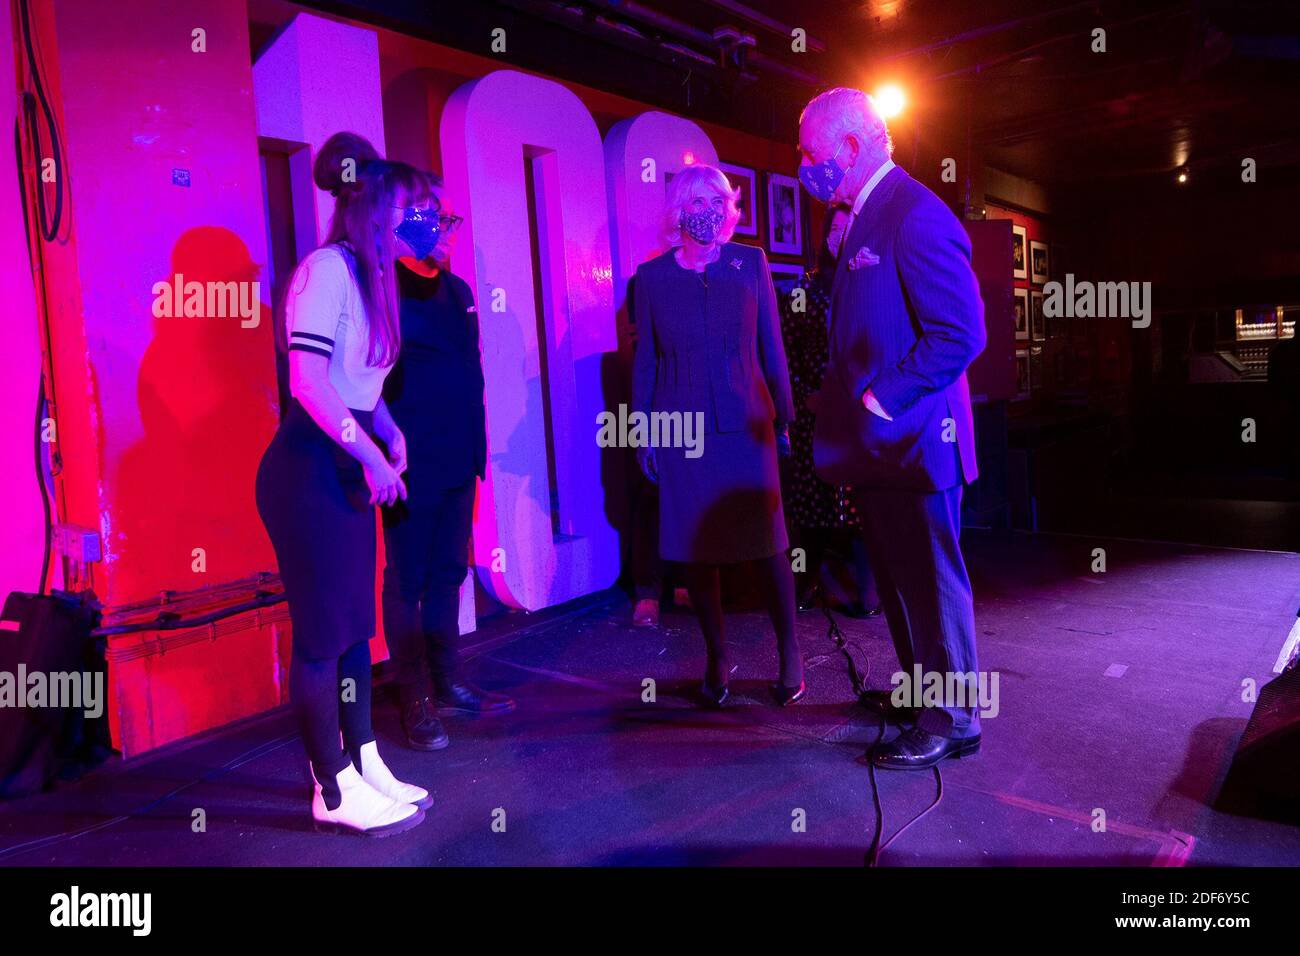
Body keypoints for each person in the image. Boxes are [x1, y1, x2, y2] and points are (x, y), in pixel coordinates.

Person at [797, 88, 987, 769]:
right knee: (900, 580)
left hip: (916, 442)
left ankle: (953, 717)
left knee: (933, 583)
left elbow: (961, 332)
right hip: (878, 449)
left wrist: (883, 397)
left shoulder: (913, 213)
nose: (805, 166)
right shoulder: (862, 214)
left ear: (851, 148)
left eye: (812, 154)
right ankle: (919, 693)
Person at [255, 140, 433, 834]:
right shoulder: (326, 269)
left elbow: (360, 385)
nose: (417, 221)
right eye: (406, 209)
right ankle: (329, 788)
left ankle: (365, 761)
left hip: (348, 459)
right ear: (371, 211)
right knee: (324, 636)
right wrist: (369, 457)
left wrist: (389, 433)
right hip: (308, 468)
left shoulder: (373, 276)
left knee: (358, 631)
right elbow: (309, 384)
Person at [631, 163, 803, 708]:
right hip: (682, 430)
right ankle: (714, 660)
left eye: (717, 200)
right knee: (696, 548)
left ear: (727, 209)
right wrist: (643, 431)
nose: (708, 209)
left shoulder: (749, 262)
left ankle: (791, 654)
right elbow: (646, 362)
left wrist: (785, 421)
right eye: (696, 201)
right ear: (678, 209)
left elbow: (772, 348)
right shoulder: (652, 277)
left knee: (769, 543)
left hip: (748, 425)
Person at [380, 170, 515, 752]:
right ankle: (411, 698)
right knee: (406, 581)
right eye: (441, 218)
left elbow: (469, 374)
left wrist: (478, 452)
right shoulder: (381, 289)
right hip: (410, 464)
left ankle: (447, 683)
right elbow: (368, 382)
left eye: (453, 220)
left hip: (460, 460)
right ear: (405, 220)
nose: (451, 231)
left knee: (448, 577)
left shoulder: (458, 292)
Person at [778, 204, 881, 618]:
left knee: (861, 505)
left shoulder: (870, 283)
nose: (842, 235)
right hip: (814, 412)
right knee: (813, 505)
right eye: (836, 228)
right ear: (824, 235)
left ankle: (869, 590)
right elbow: (787, 353)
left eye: (850, 227)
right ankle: (806, 581)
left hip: (861, 411)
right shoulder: (805, 292)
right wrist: (804, 397)